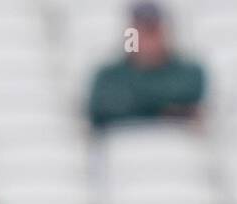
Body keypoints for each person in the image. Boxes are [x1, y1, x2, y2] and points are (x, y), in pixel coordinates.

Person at [87, 2, 206, 131]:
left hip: (176, 145)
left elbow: (192, 104)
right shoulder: (107, 75)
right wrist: (166, 110)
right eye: (139, 32)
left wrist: (131, 105)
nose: (146, 39)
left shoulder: (190, 72)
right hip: (122, 145)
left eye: (152, 30)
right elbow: (99, 112)